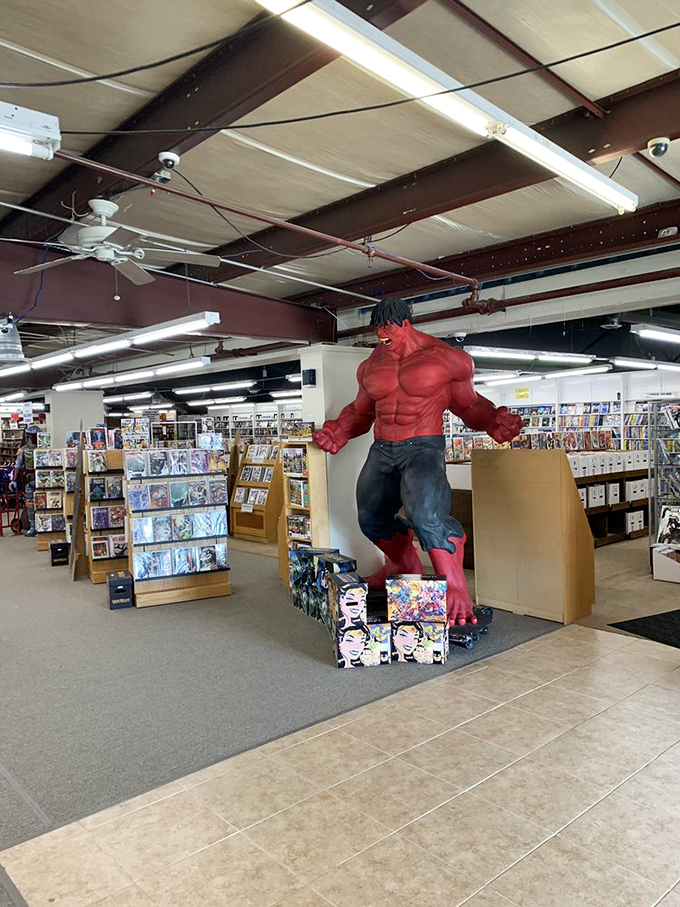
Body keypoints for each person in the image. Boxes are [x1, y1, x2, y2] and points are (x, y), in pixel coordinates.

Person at [313, 299, 523, 627]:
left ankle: (455, 586)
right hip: (383, 448)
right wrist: (339, 429)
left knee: (426, 516)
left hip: (423, 447)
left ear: (406, 324)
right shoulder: (371, 365)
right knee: (371, 517)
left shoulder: (447, 359)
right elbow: (361, 412)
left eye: (388, 328)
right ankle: (402, 565)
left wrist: (493, 419)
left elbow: (468, 405)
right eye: (378, 328)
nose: (382, 334)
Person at [10, 424, 39, 537]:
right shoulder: (23, 450)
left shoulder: (43, 448)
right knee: (30, 504)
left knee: (40, 503)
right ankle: (33, 527)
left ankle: (38, 526)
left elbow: (17, 465)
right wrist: (14, 479)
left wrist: (14, 480)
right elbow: (17, 465)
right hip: (30, 480)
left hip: (40, 480)